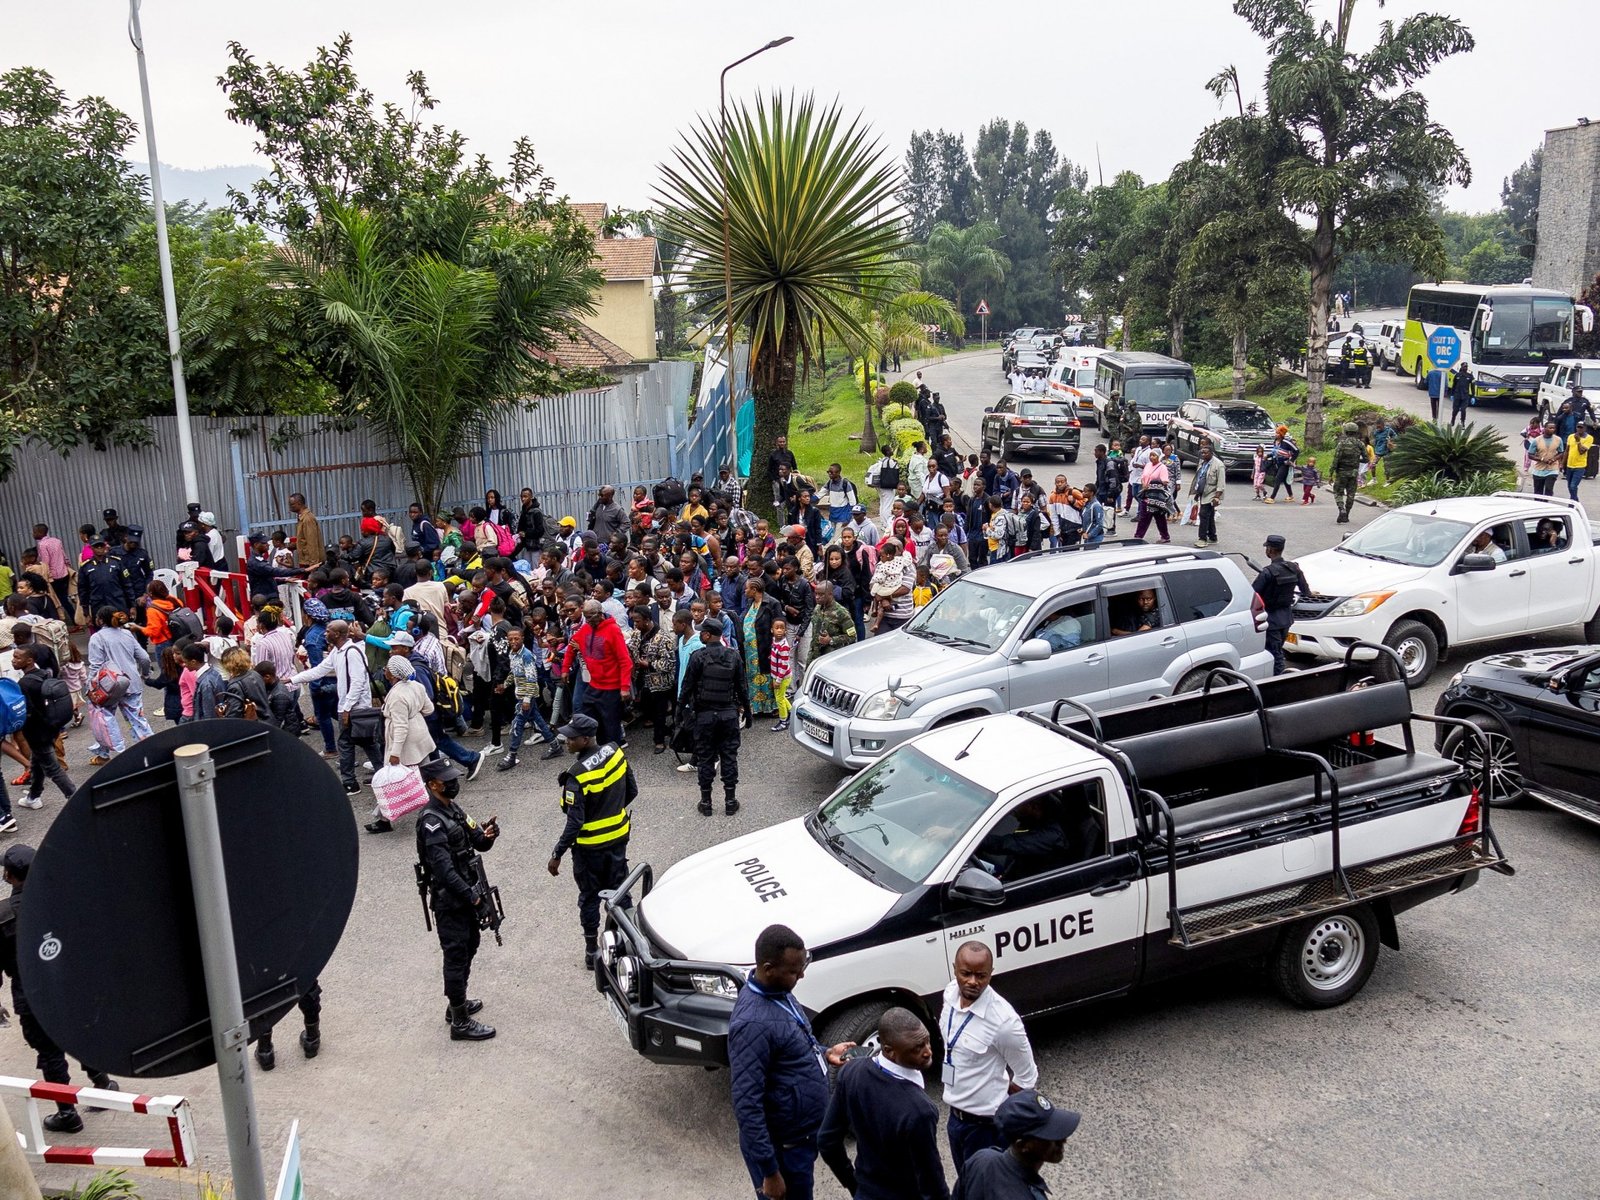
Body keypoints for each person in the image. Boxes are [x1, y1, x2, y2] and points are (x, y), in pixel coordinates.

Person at [729, 924, 856, 1200]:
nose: (802, 974)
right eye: (794, 971)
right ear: (768, 968)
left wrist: (824, 1052)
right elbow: (746, 1103)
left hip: (800, 1139)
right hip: (783, 1152)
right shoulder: (751, 1024)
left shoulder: (778, 992)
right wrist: (770, 1171)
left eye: (802, 965)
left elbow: (791, 1045)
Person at [0, 844, 119, 1133]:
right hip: (69, 984)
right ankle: (103, 1083)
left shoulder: (3, 915)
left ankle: (67, 1113)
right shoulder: (61, 899)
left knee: (50, 1053)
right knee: (77, 1034)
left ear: (9, 876)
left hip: (31, 992)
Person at [818, 1007, 949, 1200]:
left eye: (927, 1041)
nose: (928, 1052)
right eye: (917, 1048)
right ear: (889, 1051)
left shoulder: (851, 1071)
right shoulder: (919, 1111)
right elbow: (933, 1184)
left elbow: (827, 1141)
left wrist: (854, 1186)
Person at [415, 756, 499, 1041]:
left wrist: (489, 835)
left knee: (471, 945)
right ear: (433, 784)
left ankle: (457, 1004)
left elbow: (478, 841)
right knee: (455, 954)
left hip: (466, 895)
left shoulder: (453, 810)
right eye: (447, 780)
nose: (454, 783)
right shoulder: (431, 822)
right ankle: (460, 1022)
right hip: (450, 901)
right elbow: (443, 871)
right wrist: (472, 897)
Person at [939, 942, 1041, 1175]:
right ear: (955, 969)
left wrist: (1004, 1112)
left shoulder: (1004, 1022)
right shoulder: (949, 994)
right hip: (955, 1118)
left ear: (990, 974)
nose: (973, 982)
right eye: (966, 974)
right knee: (967, 1183)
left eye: (981, 975)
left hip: (986, 1128)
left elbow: (1027, 1076)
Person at [546, 712, 636, 969]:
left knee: (589, 898)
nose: (566, 741)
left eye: (571, 738)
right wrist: (611, 812)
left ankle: (591, 952)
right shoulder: (615, 752)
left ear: (585, 740)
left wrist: (557, 853)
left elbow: (575, 822)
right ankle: (628, 943)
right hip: (618, 838)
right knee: (620, 893)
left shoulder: (576, 775)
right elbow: (632, 790)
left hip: (589, 849)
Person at [289, 618, 382, 796]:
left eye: (328, 631)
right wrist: (293, 679)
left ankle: (350, 783)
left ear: (338, 634)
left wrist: (346, 709)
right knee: (367, 743)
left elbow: (357, 682)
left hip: (354, 708)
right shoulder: (338, 652)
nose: (325, 633)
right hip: (351, 708)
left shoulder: (352, 652)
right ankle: (382, 776)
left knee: (347, 744)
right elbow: (320, 670)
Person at [679, 615, 750, 817]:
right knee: (729, 757)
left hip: (705, 717)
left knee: (705, 758)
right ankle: (730, 801)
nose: (700, 634)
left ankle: (706, 802)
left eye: (702, 631)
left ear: (708, 634)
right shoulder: (733, 656)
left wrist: (679, 713)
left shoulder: (698, 657)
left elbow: (687, 687)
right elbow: (742, 687)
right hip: (728, 716)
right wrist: (748, 713)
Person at [953, 1090, 1082, 1200]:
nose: (1062, 1140)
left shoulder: (981, 1160)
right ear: (1023, 1145)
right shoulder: (1026, 1195)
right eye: (1050, 1135)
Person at [561, 599, 633, 746]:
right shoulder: (587, 628)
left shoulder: (613, 630)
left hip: (611, 688)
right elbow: (571, 646)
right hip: (594, 685)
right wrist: (565, 669)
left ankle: (616, 757)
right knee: (593, 723)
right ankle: (601, 753)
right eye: (586, 617)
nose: (588, 620)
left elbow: (625, 661)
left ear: (600, 614)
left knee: (611, 727)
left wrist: (624, 687)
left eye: (590, 617)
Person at [84, 606, 154, 754]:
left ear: (101, 620)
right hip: (131, 682)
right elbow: (144, 658)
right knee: (138, 720)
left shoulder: (97, 638)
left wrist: (90, 687)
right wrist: (145, 674)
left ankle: (112, 751)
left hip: (108, 687)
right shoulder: (127, 634)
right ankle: (149, 750)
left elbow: (95, 666)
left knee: (104, 720)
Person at [1253, 534, 1310, 676]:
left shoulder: (1267, 572)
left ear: (1270, 550)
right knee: (1277, 651)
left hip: (1270, 620)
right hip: (1286, 619)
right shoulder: (1294, 568)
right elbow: (1306, 591)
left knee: (1275, 654)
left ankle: (1279, 681)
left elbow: (1252, 594)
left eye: (1267, 547)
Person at [807, 580, 856, 663]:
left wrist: (830, 640)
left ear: (830, 594)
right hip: (814, 655)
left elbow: (852, 637)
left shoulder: (841, 613)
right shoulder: (818, 608)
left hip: (830, 658)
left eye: (821, 594)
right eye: (816, 594)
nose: (817, 597)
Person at [1188, 442, 1224, 547]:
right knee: (1210, 515)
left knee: (1203, 514)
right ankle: (1213, 537)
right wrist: (1196, 492)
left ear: (1211, 453)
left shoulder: (1218, 465)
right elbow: (1199, 477)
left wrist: (1217, 497)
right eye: (1202, 453)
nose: (1203, 455)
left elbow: (1221, 483)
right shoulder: (1202, 462)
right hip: (1202, 492)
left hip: (1212, 493)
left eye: (1205, 453)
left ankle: (1202, 539)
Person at [1331, 422, 1364, 524]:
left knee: (1338, 492)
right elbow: (1366, 459)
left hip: (1341, 472)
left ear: (1346, 431)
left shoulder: (1342, 444)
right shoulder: (1360, 444)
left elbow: (1336, 459)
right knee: (1351, 494)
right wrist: (1356, 461)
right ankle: (1347, 514)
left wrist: (1331, 472)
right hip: (1353, 473)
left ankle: (1341, 509)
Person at [1527, 419, 1564, 497]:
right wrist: (1542, 459)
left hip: (1552, 469)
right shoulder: (1537, 440)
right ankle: (1539, 505)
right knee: (1538, 492)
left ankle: (1547, 503)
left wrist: (1554, 459)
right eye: (1550, 428)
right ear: (1544, 428)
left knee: (1549, 489)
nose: (1552, 430)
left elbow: (1561, 452)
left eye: (1553, 428)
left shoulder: (1558, 440)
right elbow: (1530, 454)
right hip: (1539, 469)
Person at [287, 493, 325, 570]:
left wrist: (314, 565)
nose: (290, 507)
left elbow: (312, 542)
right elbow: (303, 539)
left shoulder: (307, 519)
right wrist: (296, 544)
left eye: (292, 504)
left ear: (299, 503)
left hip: (310, 562)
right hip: (306, 560)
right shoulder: (302, 517)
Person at [1564, 421, 1595, 501]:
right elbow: (1567, 451)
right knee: (1569, 486)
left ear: (1585, 428)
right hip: (1569, 465)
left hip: (1580, 466)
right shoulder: (1571, 436)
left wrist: (1578, 441)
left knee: (1573, 486)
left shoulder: (1589, 438)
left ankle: (1572, 504)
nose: (1579, 429)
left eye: (1581, 427)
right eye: (1578, 427)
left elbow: (1581, 451)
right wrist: (1562, 463)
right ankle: (1575, 500)